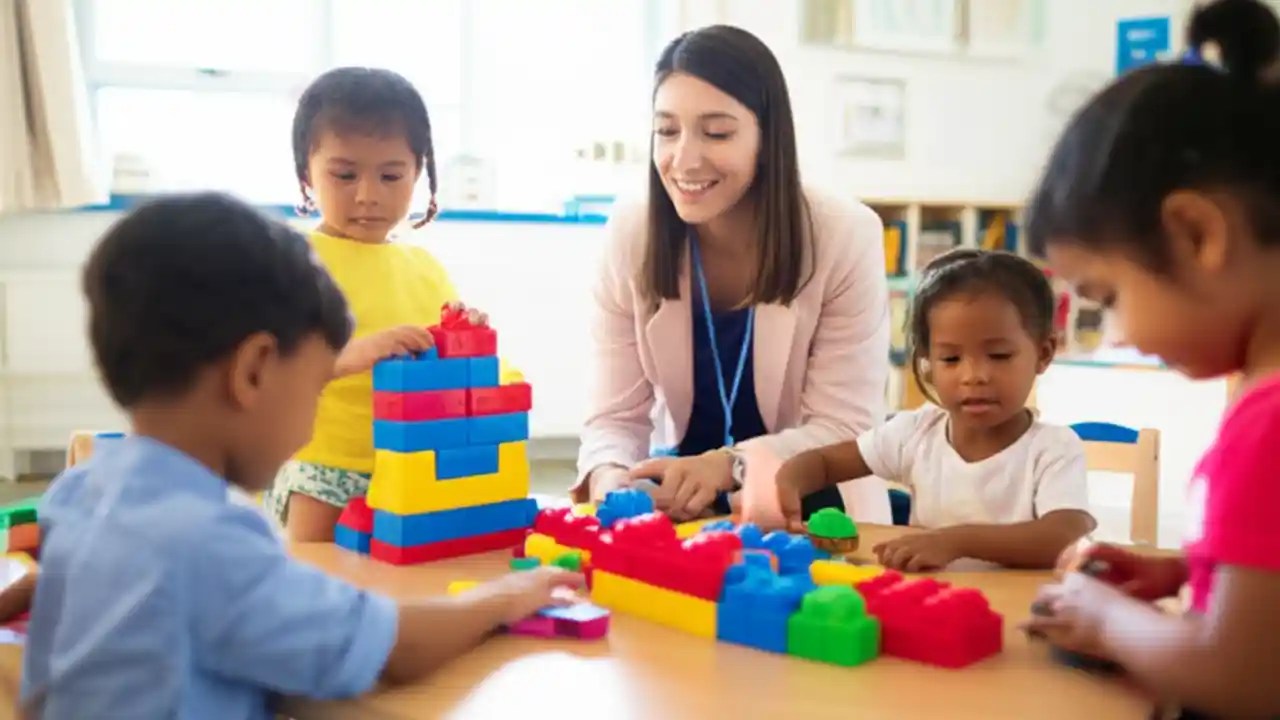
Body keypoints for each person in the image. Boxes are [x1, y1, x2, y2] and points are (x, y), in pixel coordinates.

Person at [19, 193, 582, 718]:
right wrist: (503, 598)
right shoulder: (212, 541)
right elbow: (396, 649)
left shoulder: (79, 490)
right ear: (255, 371)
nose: (312, 414)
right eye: (315, 387)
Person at [1020, 1, 1280, 716]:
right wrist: (1183, 573)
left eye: (1106, 297)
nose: (1119, 336)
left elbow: (1243, 677)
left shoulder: (1269, 421)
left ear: (1196, 235)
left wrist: (1105, 620)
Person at [574, 25, 892, 527]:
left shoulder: (844, 234)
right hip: (683, 510)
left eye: (717, 132)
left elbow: (845, 426)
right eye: (667, 130)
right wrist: (611, 476)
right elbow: (614, 417)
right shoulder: (633, 233)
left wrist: (730, 464)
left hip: (812, 508)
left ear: (767, 138)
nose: (684, 159)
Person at [264, 66, 516, 541]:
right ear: (306, 174)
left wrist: (464, 331)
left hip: (413, 466)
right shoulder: (294, 259)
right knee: (314, 577)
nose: (367, 195)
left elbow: (443, 359)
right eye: (344, 174)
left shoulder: (424, 266)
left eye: (390, 175)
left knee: (407, 575)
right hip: (323, 465)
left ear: (418, 172)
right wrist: (347, 356)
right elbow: (269, 368)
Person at [775, 249, 1095, 571]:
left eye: (998, 355)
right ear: (929, 363)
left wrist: (955, 541)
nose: (973, 376)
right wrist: (789, 482)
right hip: (931, 605)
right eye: (951, 359)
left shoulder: (1053, 448)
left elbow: (1065, 536)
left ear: (1043, 353)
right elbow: (824, 464)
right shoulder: (916, 433)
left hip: (1014, 613)